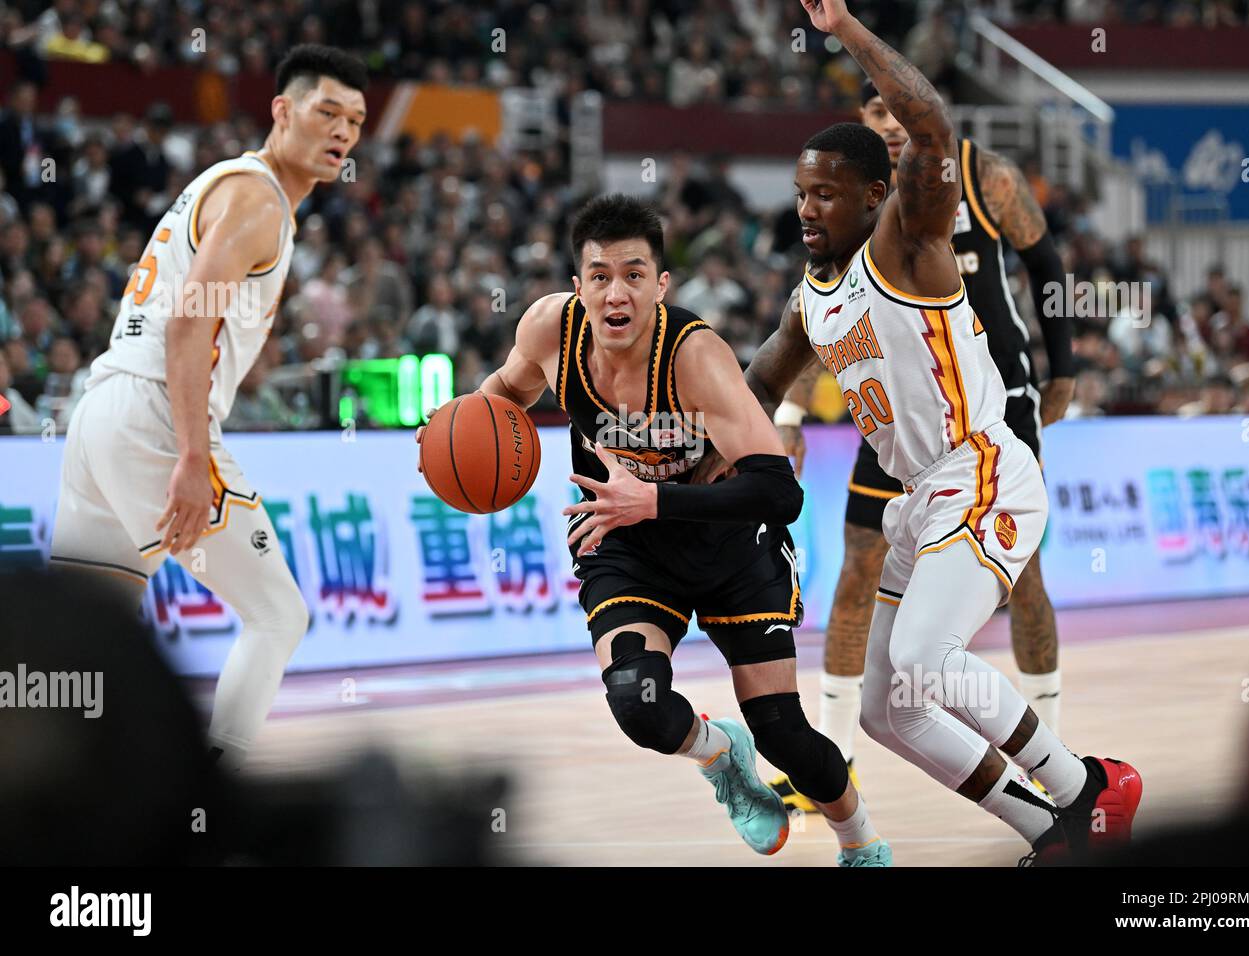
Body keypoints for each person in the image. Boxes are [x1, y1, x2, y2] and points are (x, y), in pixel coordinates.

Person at [733, 0, 1140, 864]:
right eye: (800, 194)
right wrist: (672, 460)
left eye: (825, 194)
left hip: (984, 466)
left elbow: (929, 122)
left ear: (875, 195)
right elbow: (754, 385)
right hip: (920, 499)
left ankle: (1087, 791)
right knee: (889, 709)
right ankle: (1047, 833)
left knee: (925, 656)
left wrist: (843, 29)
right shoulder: (812, 297)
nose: (806, 210)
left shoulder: (906, 239)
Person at [418, 194, 891, 866]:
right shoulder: (549, 333)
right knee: (637, 704)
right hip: (627, 545)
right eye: (601, 275)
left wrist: (657, 499)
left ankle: (861, 842)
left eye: (635, 275)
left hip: (731, 546)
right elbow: (501, 398)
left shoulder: (695, 357)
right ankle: (721, 755)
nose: (618, 292)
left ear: (661, 286)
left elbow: (779, 491)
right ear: (577, 286)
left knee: (785, 733)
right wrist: (449, 432)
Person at [48, 45, 369, 770]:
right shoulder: (257, 200)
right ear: (281, 110)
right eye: (327, 112)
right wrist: (194, 455)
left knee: (82, 641)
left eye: (354, 119)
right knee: (278, 615)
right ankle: (207, 805)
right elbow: (190, 323)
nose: (343, 132)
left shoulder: (233, 191)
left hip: (101, 407)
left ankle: (43, 797)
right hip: (155, 415)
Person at [766, 75, 1076, 811]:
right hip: (902, 442)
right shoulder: (835, 256)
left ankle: (1059, 760)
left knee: (1012, 592)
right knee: (858, 581)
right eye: (873, 111)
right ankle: (836, 754)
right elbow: (785, 359)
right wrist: (778, 418)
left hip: (984, 412)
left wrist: (1062, 368)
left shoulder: (973, 179)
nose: (889, 120)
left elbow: (1048, 265)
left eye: (894, 107)